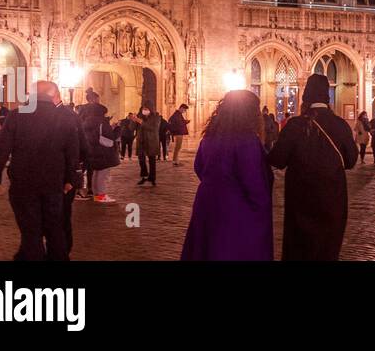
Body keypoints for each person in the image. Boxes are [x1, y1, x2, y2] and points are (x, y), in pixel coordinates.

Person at [267, 74, 358, 261]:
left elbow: (277, 159)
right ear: (327, 97)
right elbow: (350, 161)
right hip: (332, 199)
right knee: (327, 248)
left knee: (299, 249)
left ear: (305, 97)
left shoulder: (295, 125)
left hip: (301, 200)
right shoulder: (341, 125)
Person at [0, 81, 81, 260]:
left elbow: (2, 149)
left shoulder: (17, 115)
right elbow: (73, 151)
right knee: (55, 228)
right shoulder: (64, 116)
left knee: (31, 230)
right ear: (52, 95)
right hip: (54, 182)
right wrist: (71, 179)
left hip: (23, 182)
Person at [181, 90, 274, 260]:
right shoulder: (247, 140)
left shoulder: (209, 137)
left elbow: (199, 166)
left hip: (206, 202)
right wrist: (262, 206)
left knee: (207, 249)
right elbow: (253, 181)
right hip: (234, 209)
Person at [80, 97, 120, 204]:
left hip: (93, 150)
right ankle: (101, 196)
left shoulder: (87, 121)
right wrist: (116, 129)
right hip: (103, 151)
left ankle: (96, 194)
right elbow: (109, 137)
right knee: (102, 174)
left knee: (96, 173)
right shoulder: (102, 121)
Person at [135, 104, 163, 187]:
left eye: (146, 108)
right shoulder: (140, 116)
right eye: (143, 109)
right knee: (141, 159)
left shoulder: (156, 117)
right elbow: (131, 128)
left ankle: (152, 178)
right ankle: (144, 176)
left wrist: (141, 122)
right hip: (141, 141)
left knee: (152, 160)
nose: (144, 110)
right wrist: (133, 121)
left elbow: (154, 128)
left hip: (151, 141)